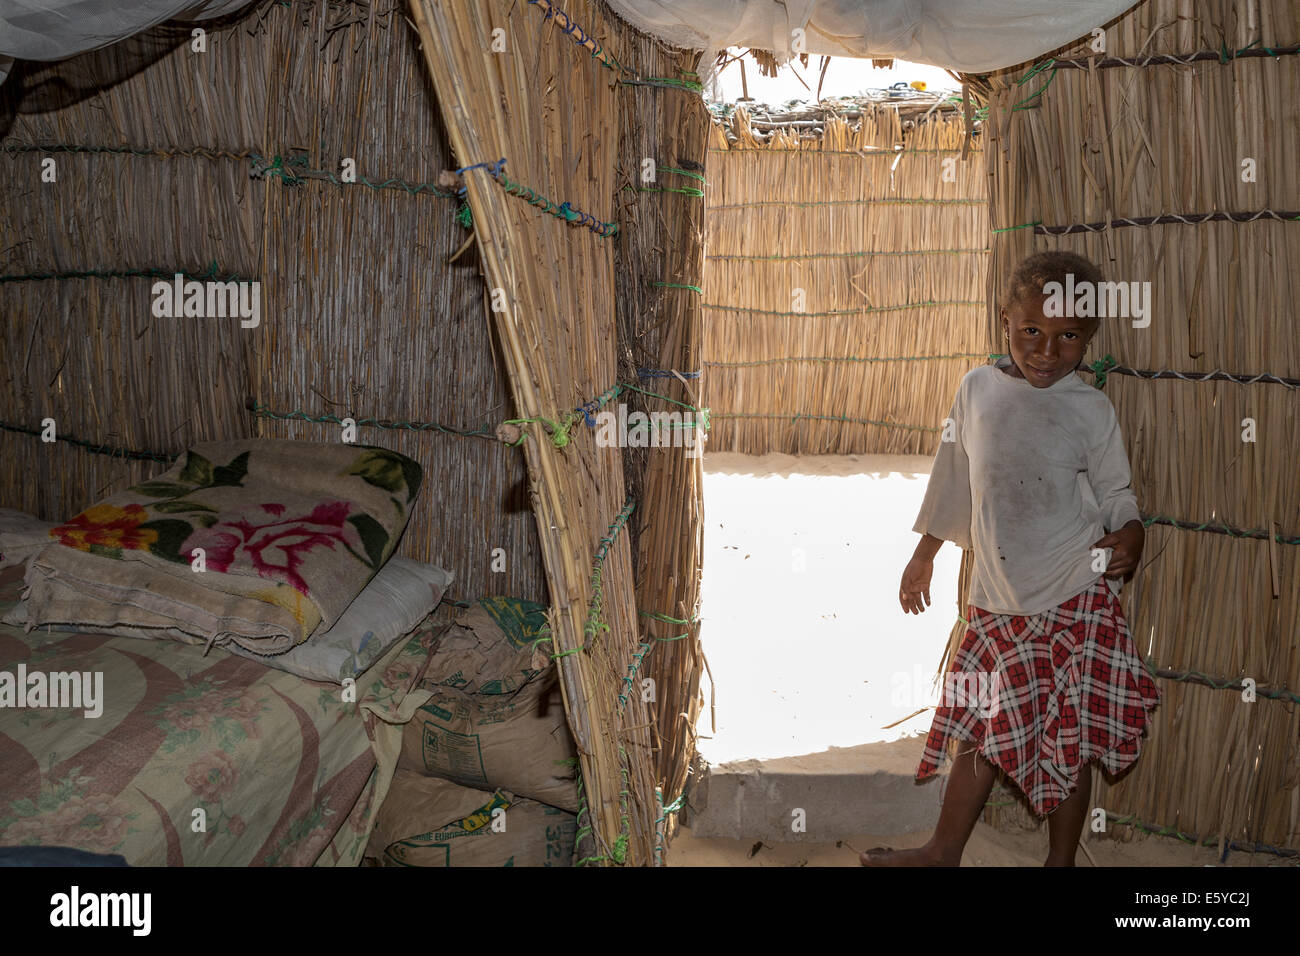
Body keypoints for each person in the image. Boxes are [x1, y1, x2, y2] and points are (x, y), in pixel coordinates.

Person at [862, 251, 1160, 867]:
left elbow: (1116, 494)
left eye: (1067, 336)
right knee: (975, 725)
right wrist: (925, 553)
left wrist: (1131, 532)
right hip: (996, 599)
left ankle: (1060, 864)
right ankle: (943, 851)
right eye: (1031, 331)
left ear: (1089, 337)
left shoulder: (1091, 410)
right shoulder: (976, 389)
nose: (1047, 350)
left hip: (1073, 596)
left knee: (1067, 737)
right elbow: (954, 476)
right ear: (1005, 320)